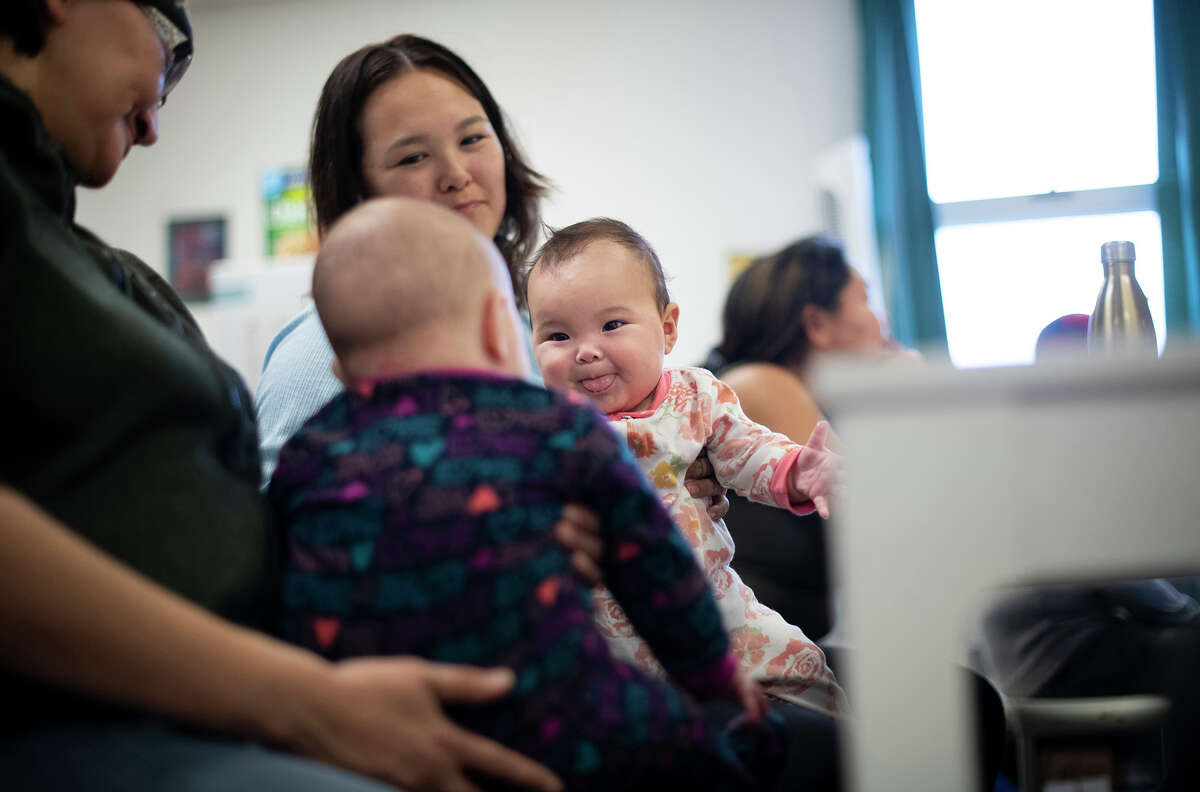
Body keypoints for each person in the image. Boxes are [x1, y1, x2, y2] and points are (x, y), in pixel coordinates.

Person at [0, 4, 563, 791]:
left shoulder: (77, 254)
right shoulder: (324, 353)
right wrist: (305, 703)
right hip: (205, 708)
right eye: (167, 43)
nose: (157, 121)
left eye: (474, 138)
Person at [271, 196, 786, 791]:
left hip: (376, 728)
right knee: (726, 747)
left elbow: (278, 580)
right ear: (500, 328)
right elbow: (655, 568)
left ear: (339, 370)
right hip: (554, 713)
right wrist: (713, 675)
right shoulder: (558, 426)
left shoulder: (308, 453)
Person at [252, 34, 727, 576]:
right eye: (413, 156)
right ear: (360, 190)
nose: (457, 173)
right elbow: (288, 562)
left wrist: (665, 475)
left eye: (472, 138)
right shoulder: (325, 350)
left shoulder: (532, 327)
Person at [524, 218, 847, 720]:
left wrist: (798, 471)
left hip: (718, 616)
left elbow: (748, 451)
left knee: (804, 669)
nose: (586, 351)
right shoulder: (544, 428)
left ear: (668, 328)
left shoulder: (694, 398)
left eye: (612, 325)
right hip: (608, 645)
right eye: (558, 335)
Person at [980, 314, 1200, 792]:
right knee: (1192, 645)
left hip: (1022, 653)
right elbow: (1123, 573)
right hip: (1055, 658)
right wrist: (1188, 613)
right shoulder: (1066, 446)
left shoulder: (1030, 434)